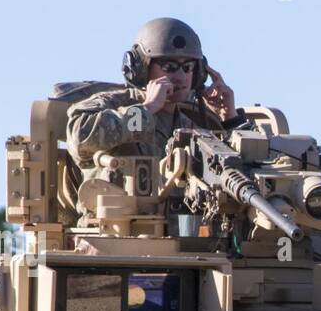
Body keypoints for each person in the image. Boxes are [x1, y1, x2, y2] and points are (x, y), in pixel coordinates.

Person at [66, 18, 235, 197]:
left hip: (178, 225)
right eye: (169, 67)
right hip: (113, 223)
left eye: (188, 67)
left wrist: (230, 119)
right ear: (141, 69)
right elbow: (79, 138)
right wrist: (146, 110)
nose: (180, 76)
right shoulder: (114, 103)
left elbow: (236, 176)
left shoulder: (191, 129)